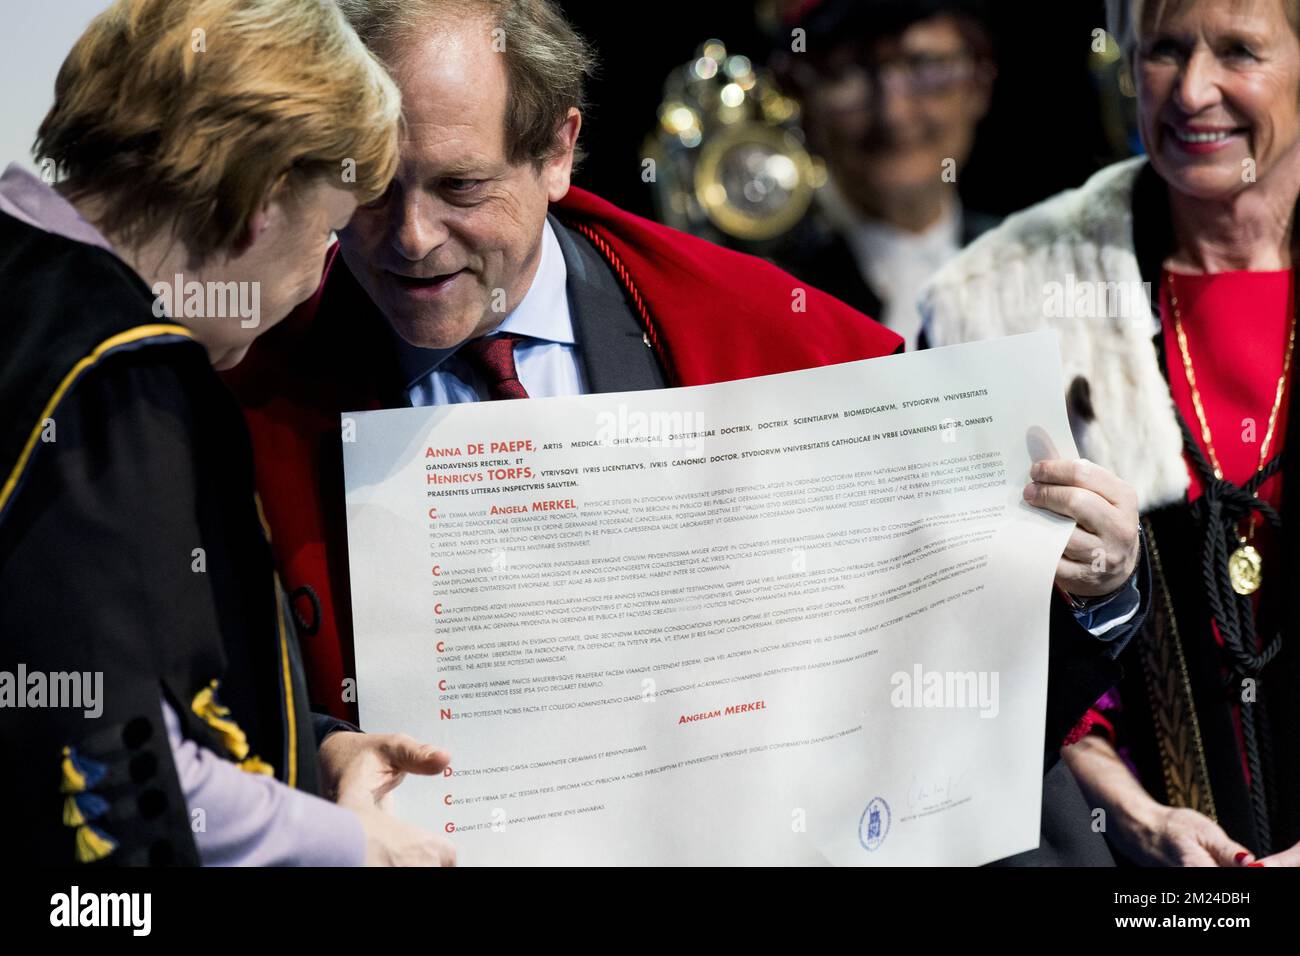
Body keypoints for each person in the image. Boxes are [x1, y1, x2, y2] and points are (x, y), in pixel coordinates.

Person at [226, 0, 1148, 865]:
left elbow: (939, 689)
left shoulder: (782, 344)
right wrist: (321, 755)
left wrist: (1088, 591)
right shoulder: (245, 389)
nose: (411, 239)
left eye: (461, 187)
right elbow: (185, 693)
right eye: (376, 189)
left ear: (558, 150)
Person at [0, 0, 453, 866]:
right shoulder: (118, 375)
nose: (320, 272)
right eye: (326, 230)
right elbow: (111, 767)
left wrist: (315, 749)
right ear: (260, 203)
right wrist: (356, 845)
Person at [921, 0, 1300, 866]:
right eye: (1164, 50)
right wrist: (1129, 810)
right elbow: (973, 644)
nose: (1193, 90)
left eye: (1239, 50)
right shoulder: (1000, 298)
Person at [769, 0, 999, 348]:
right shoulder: (767, 295)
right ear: (798, 97)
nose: (893, 114)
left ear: (979, 83)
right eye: (849, 71)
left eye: (925, 67)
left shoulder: (1037, 263)